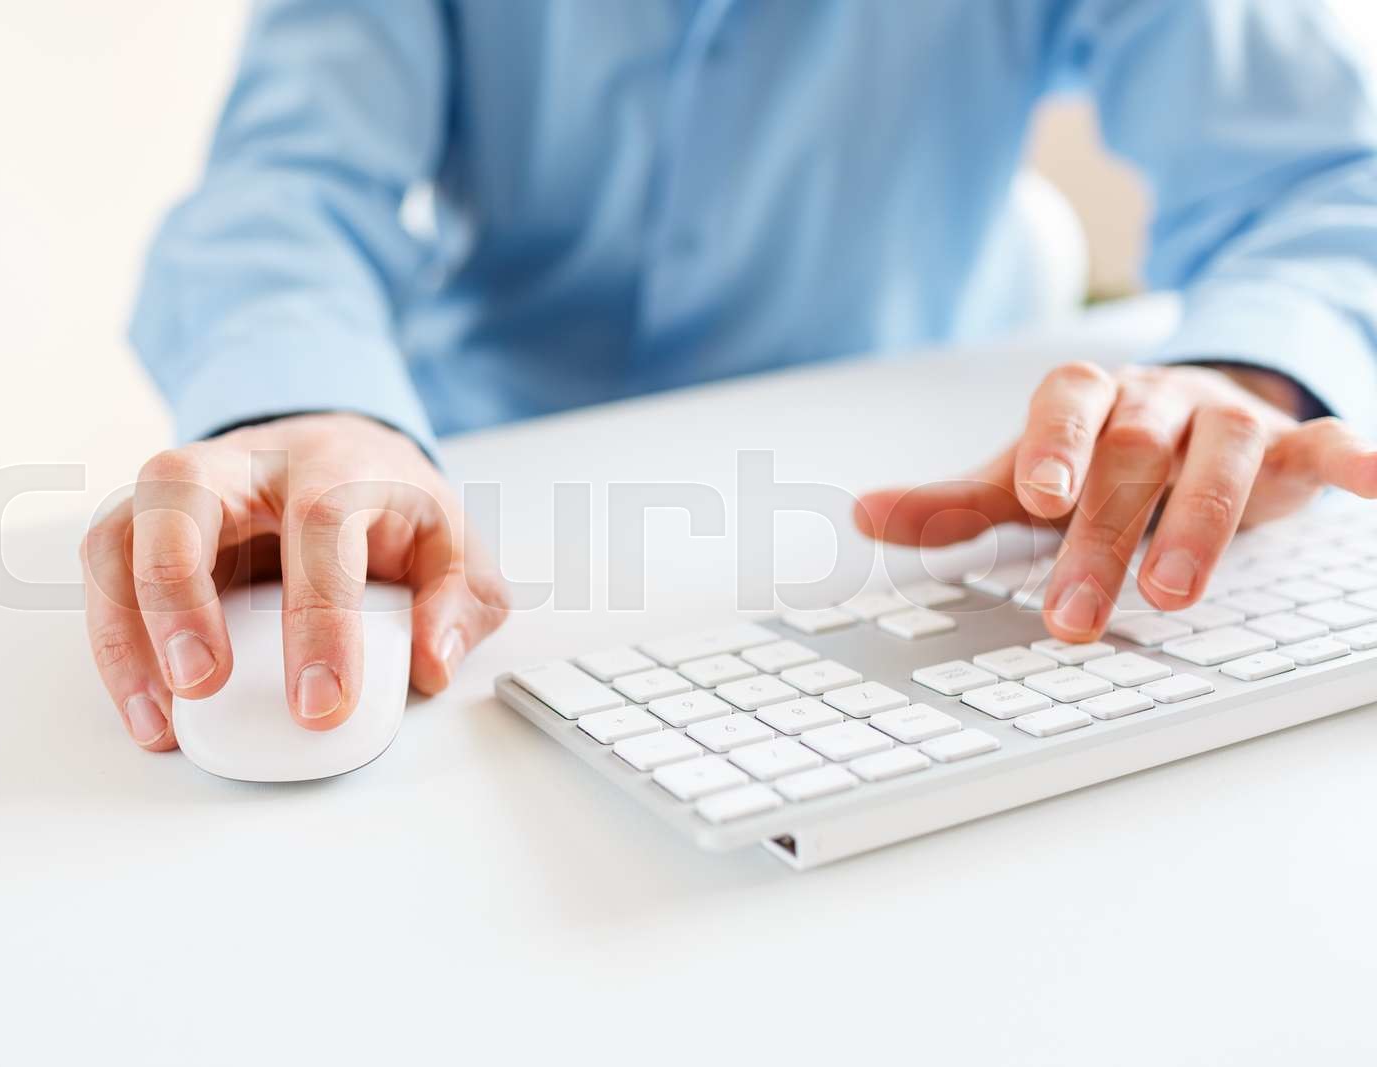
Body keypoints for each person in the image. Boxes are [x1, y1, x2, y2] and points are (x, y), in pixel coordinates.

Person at [81, 0, 1377, 753]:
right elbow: (280, 190)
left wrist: (1250, 377)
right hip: (499, 497)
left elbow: (1324, 171)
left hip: (932, 512)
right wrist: (307, 408)